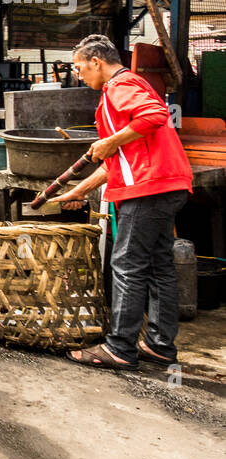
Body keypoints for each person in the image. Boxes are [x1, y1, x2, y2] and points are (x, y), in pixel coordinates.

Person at [55, 34, 193, 371]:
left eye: (79, 67)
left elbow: (154, 115)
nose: (78, 74)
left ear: (96, 62)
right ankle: (160, 345)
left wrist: (110, 141)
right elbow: (116, 160)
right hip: (165, 186)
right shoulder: (126, 87)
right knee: (159, 266)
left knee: (127, 267)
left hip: (147, 190)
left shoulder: (121, 85)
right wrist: (78, 190)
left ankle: (119, 347)